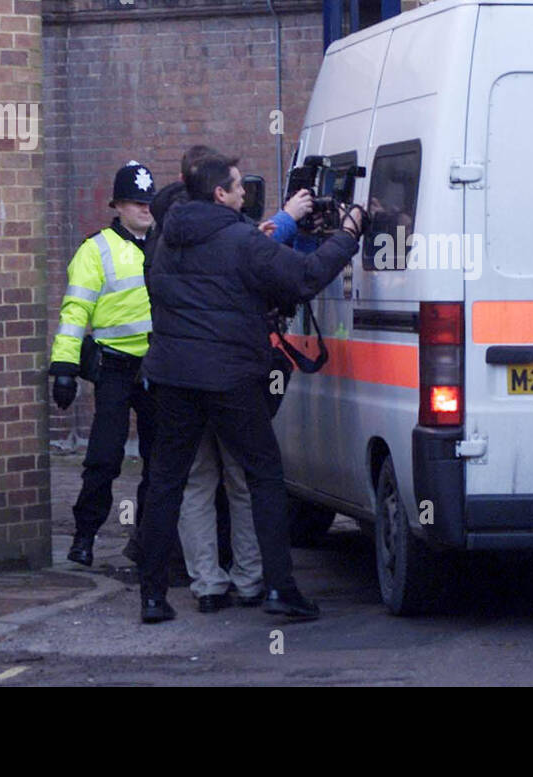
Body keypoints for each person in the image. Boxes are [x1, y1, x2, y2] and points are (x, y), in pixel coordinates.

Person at [138, 150, 364, 623]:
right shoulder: (241, 240)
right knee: (262, 476)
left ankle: (153, 597)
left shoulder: (165, 239)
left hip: (173, 377)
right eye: (239, 186)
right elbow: (303, 278)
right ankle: (279, 588)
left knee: (167, 483)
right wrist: (347, 235)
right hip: (231, 377)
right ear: (220, 193)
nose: (245, 194)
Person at [50, 161, 158, 567]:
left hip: (158, 368)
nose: (144, 210)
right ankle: (85, 536)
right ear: (117, 205)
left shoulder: (167, 244)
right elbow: (75, 311)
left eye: (149, 202)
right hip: (114, 367)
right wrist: (63, 368)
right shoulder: (94, 250)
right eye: (135, 203)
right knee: (103, 457)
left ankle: (147, 538)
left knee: (158, 457)